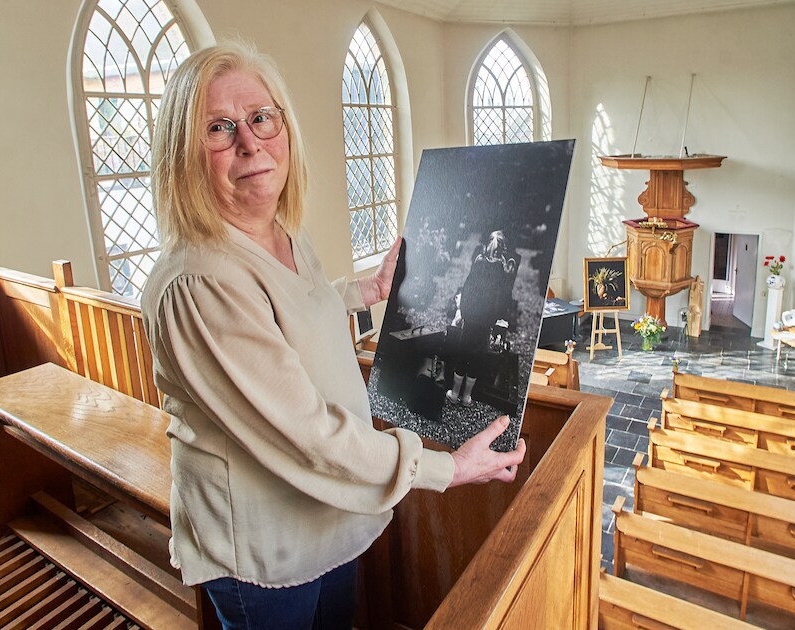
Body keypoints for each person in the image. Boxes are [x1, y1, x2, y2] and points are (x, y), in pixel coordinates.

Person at [141, 42, 525, 630]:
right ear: (181, 153)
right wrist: (447, 469)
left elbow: (298, 304)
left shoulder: (280, 233)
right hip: (269, 551)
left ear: (284, 126)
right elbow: (308, 434)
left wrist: (363, 291)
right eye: (219, 128)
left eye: (261, 118)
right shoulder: (200, 282)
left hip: (333, 514)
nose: (250, 142)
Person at [444, 230, 518, 406]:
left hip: (471, 318)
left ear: (487, 245)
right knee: (478, 356)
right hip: (486, 322)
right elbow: (502, 297)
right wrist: (495, 318)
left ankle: (454, 394)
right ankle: (467, 397)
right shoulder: (502, 268)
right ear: (502, 249)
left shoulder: (478, 261)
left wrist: (463, 311)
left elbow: (468, 288)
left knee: (464, 353)